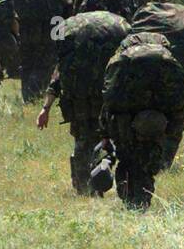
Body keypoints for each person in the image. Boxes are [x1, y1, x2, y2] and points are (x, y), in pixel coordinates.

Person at [100, 33, 184, 210]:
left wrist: (105, 132)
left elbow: (109, 97)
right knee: (149, 161)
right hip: (159, 113)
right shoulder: (169, 55)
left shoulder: (122, 55)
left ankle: (132, 198)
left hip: (128, 112)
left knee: (127, 155)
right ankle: (141, 199)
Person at [35, 11, 130, 195]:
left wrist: (45, 108)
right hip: (103, 106)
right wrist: (45, 108)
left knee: (84, 145)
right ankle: (94, 186)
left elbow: (57, 79)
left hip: (83, 106)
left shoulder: (73, 54)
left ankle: (86, 188)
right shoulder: (113, 50)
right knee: (105, 145)